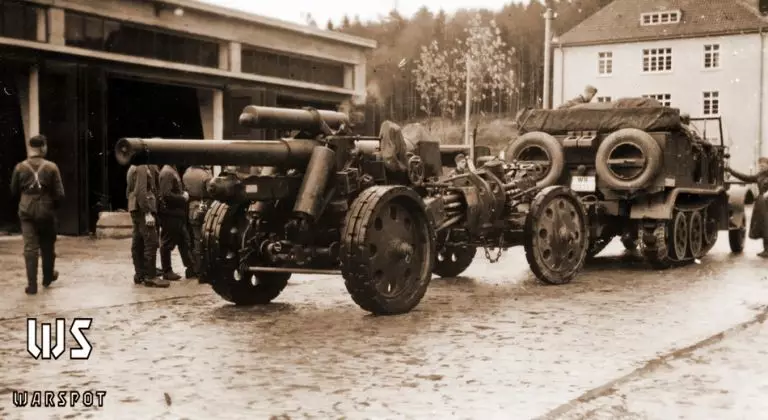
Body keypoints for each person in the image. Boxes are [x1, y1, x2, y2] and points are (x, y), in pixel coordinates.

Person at [9, 135, 64, 295]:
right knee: (48, 246)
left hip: (26, 210)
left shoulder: (20, 167)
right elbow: (59, 193)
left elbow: (13, 190)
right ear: (43, 147)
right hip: (46, 210)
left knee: (30, 247)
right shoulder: (52, 167)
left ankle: (31, 285)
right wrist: (53, 208)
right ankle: (47, 278)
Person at [126, 164, 169, 288]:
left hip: (135, 207)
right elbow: (141, 191)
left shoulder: (132, 167)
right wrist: (147, 212)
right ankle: (150, 276)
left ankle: (140, 274)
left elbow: (128, 191)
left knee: (138, 241)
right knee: (151, 241)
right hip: (142, 208)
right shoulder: (142, 168)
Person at [158, 164, 196, 280]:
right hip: (171, 213)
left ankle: (191, 269)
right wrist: (182, 197)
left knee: (184, 241)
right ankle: (167, 271)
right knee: (167, 243)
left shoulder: (171, 170)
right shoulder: (167, 172)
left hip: (177, 214)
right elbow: (166, 194)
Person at [727, 158, 768, 257]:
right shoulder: (759, 175)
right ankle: (766, 249)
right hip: (762, 202)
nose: (761, 167)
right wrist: (731, 171)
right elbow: (746, 178)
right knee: (763, 226)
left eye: (763, 165)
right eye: (760, 165)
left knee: (767, 225)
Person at [182, 165, 212, 280]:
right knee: (202, 241)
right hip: (203, 207)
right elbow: (211, 192)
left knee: (194, 239)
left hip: (190, 207)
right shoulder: (205, 175)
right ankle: (202, 271)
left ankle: (194, 268)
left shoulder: (187, 171)